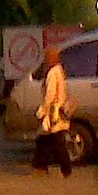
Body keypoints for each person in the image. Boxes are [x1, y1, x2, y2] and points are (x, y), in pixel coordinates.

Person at [31, 45, 73, 177]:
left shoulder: (52, 73)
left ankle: (65, 168)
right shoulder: (59, 70)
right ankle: (41, 166)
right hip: (57, 111)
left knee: (55, 142)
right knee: (44, 140)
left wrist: (43, 111)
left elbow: (50, 95)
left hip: (53, 113)